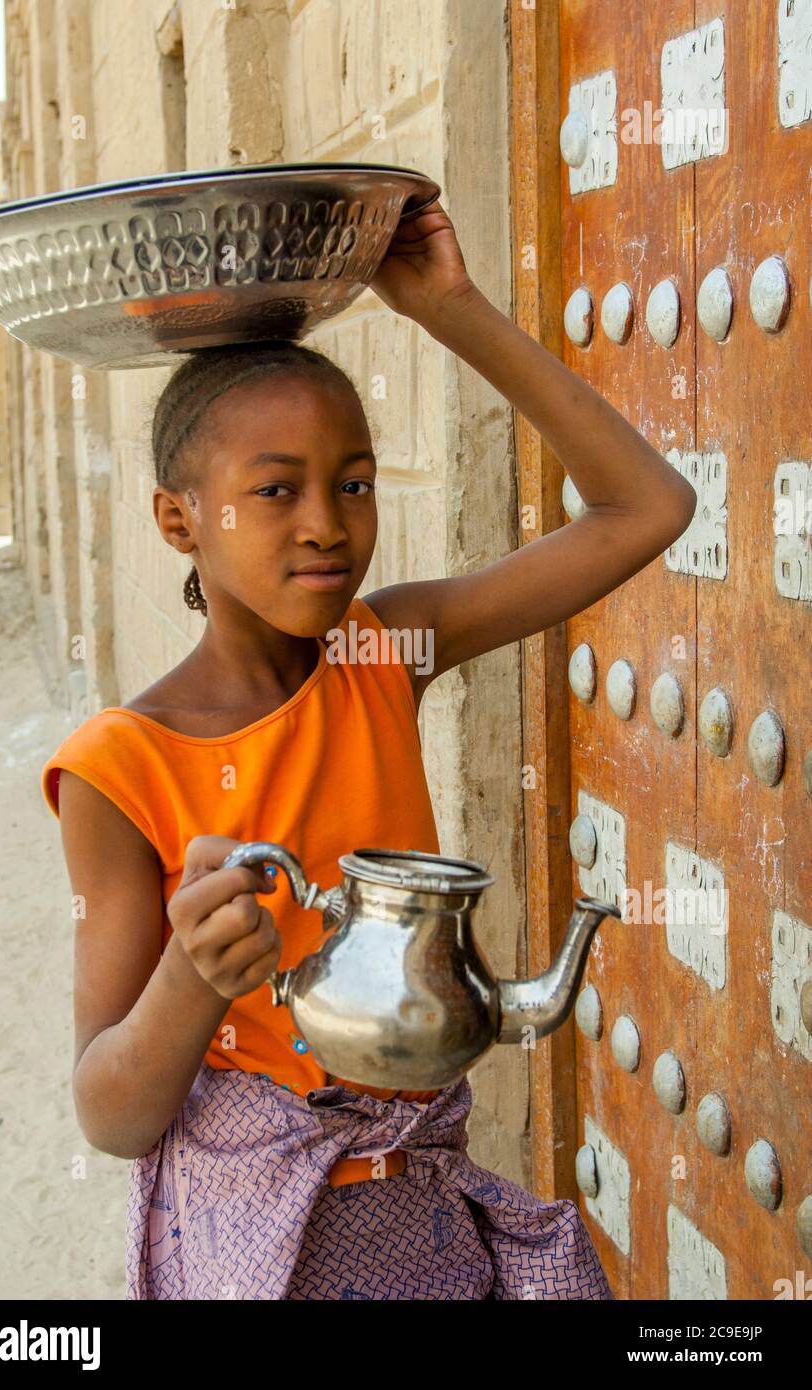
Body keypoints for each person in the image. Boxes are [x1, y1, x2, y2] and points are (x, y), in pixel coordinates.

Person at [40, 199, 697, 1300]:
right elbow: (111, 1111)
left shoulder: (382, 656)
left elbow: (645, 507)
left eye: (353, 482)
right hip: (256, 1244)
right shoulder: (121, 769)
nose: (325, 523)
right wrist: (192, 980)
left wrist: (449, 309)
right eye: (274, 488)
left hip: (422, 1223)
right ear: (176, 518)